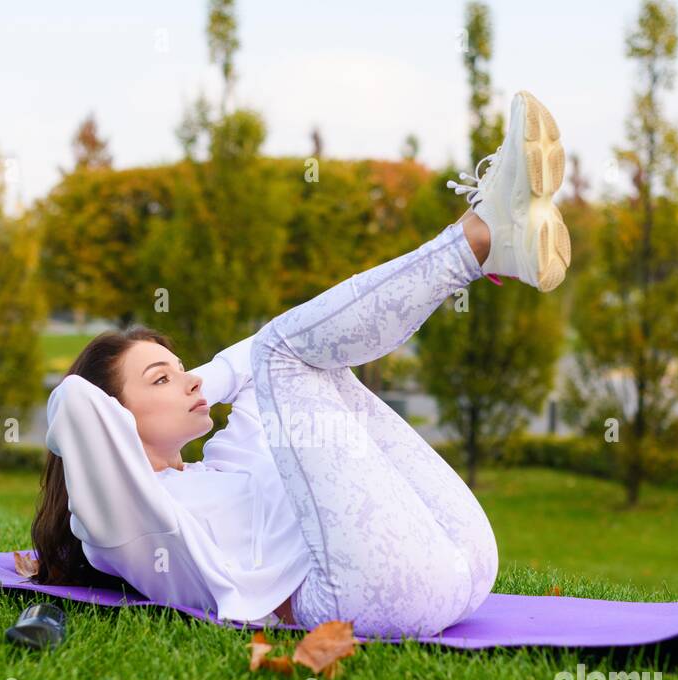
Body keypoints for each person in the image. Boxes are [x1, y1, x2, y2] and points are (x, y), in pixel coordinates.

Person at [30, 90, 570, 638]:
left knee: (318, 360)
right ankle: (479, 239)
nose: (186, 380)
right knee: (284, 353)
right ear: (116, 416)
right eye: (161, 379)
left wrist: (209, 377)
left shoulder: (228, 459)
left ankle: (494, 243)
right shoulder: (124, 521)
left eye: (179, 366)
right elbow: (75, 405)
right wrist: (122, 416)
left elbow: (265, 350)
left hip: (464, 566)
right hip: (355, 598)